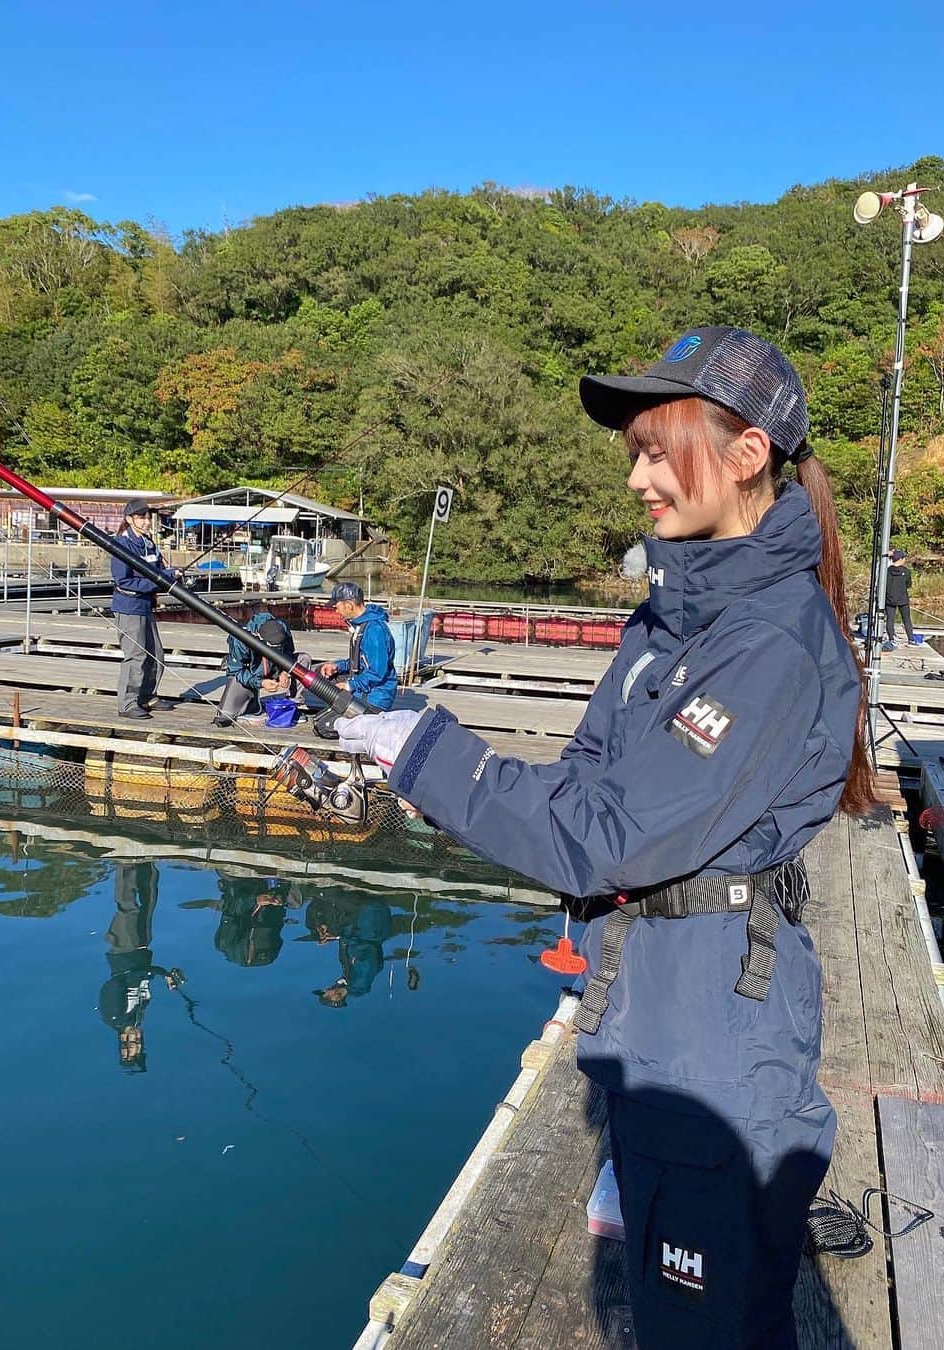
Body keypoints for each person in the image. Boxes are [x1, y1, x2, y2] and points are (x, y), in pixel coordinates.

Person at [334, 326, 874, 1347]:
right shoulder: (664, 621)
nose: (636, 477)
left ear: (747, 452)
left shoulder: (766, 641)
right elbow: (588, 783)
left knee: (709, 1323)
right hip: (644, 1001)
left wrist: (435, 758)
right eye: (633, 451)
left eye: (656, 449)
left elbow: (610, 834)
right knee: (672, 1304)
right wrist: (450, 790)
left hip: (714, 1022)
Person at [97, 862, 183, 1072]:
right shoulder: (138, 1015)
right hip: (142, 951)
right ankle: (148, 864)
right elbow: (142, 980)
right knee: (149, 902)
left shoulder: (114, 1016)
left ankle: (126, 861)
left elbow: (118, 982)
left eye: (128, 1042)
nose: (134, 1039)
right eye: (137, 1042)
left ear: (122, 1040)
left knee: (128, 905)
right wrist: (168, 977)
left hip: (124, 950)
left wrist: (162, 974)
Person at [111, 499, 179, 720]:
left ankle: (147, 696)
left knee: (156, 654)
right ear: (129, 519)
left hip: (146, 606)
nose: (146, 521)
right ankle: (128, 703)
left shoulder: (148, 542)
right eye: (141, 517)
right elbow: (124, 582)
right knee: (136, 656)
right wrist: (159, 582)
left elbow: (158, 569)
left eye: (148, 517)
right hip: (129, 607)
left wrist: (171, 574)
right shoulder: (122, 544)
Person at [213, 610, 308, 727]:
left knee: (303, 659)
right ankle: (250, 705)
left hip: (275, 666)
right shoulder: (239, 638)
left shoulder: (283, 626)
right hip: (251, 671)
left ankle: (293, 705)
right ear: (259, 637)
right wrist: (261, 682)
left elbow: (289, 652)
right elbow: (236, 671)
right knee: (225, 716)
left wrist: (285, 671)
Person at [316, 582, 397, 711]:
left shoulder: (375, 631)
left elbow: (377, 673)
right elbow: (360, 663)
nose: (336, 611)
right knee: (320, 673)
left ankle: (354, 712)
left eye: (337, 606)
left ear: (349, 605)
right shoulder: (360, 625)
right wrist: (337, 666)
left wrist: (349, 685)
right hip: (363, 686)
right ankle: (339, 708)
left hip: (375, 696)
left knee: (325, 728)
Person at [883, 547, 915, 650]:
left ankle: (891, 638)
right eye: (904, 558)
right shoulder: (906, 571)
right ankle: (911, 639)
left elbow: (884, 585)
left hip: (889, 599)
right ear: (900, 559)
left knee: (890, 619)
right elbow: (908, 584)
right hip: (903, 599)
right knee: (906, 619)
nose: (905, 560)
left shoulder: (886, 571)